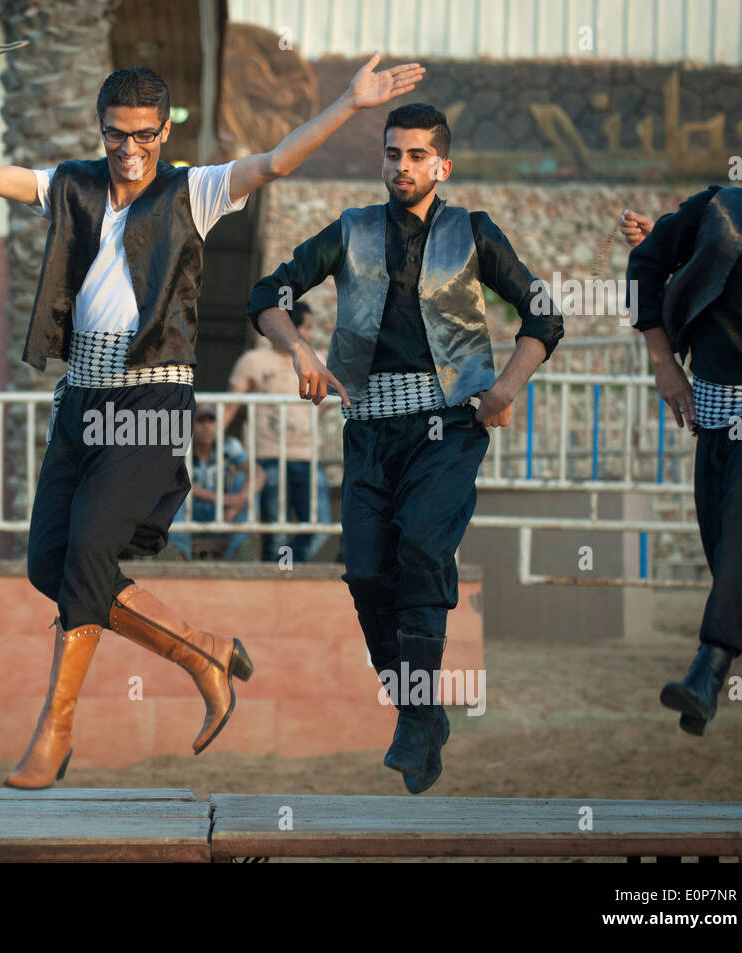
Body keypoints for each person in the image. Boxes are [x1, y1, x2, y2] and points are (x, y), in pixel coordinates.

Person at [0, 48, 425, 788]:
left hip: (151, 399)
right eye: (116, 134)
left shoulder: (192, 190)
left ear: (165, 131)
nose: (129, 148)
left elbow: (275, 162)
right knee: (49, 563)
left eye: (144, 134)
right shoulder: (70, 184)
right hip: (80, 399)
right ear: (100, 128)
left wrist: (351, 104)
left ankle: (54, 731)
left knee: (87, 552)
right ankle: (203, 652)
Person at [248, 103, 563, 794]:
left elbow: (544, 314)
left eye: (417, 155)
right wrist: (299, 349)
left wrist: (506, 388)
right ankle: (419, 710)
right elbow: (267, 294)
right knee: (366, 575)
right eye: (393, 153)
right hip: (368, 430)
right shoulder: (351, 229)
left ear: (442, 165)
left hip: (448, 427)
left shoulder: (473, 231)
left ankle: (417, 722)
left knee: (421, 550)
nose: (403, 165)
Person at [626, 168, 742, 805]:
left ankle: (709, 670)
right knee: (738, 570)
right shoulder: (721, 213)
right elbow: (645, 263)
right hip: (716, 413)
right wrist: (664, 364)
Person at [224, 300, 332, 562]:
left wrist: (306, 421)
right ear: (289, 328)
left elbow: (327, 401)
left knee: (320, 527)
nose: (310, 334)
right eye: (306, 327)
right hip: (269, 458)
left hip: (307, 456)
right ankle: (276, 578)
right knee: (276, 533)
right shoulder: (254, 361)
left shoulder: (318, 361)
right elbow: (229, 406)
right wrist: (208, 443)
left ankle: (289, 571)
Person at [170, 405, 265, 561]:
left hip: (224, 515)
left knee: (245, 482)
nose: (207, 427)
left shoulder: (228, 444)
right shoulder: (180, 445)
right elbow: (174, 480)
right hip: (190, 515)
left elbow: (259, 473)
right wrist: (225, 499)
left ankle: (239, 554)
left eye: (211, 421)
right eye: (200, 421)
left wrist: (237, 502)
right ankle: (178, 555)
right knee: (174, 492)